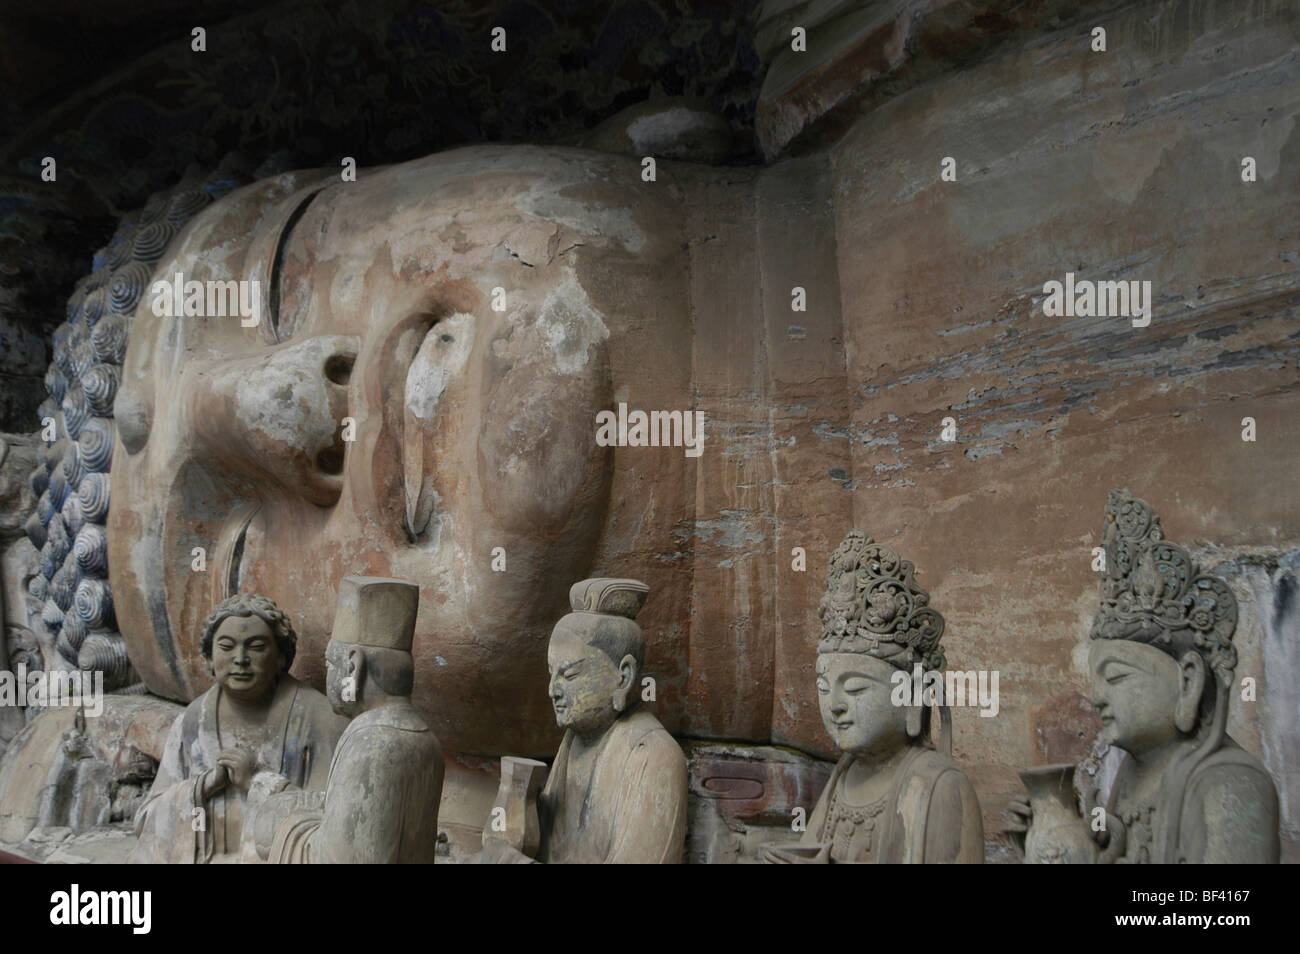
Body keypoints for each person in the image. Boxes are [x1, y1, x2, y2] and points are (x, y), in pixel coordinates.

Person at [1008, 490, 1280, 863]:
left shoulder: (1230, 785)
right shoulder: (1132, 776)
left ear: (1188, 680)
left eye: (1116, 678)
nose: (1098, 698)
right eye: (1096, 682)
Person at [763, 532, 983, 863]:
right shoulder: (845, 773)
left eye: (855, 688)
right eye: (824, 687)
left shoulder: (938, 786)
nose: (835, 704)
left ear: (912, 695)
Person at [483, 577, 687, 863]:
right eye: (551, 672)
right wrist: (517, 802)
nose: (552, 689)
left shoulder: (655, 758)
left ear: (623, 676)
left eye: (569, 675)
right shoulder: (575, 738)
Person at [130, 593, 346, 863]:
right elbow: (146, 818)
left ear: (281, 657)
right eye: (227, 646)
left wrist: (259, 781)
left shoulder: (319, 719)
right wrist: (199, 788)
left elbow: (336, 824)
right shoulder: (194, 720)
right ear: (209, 658)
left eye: (256, 647)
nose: (240, 659)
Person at [257, 576, 444, 863]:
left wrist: (281, 824)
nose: (328, 673)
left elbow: (341, 859)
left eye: (330, 663)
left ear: (353, 667)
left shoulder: (371, 743)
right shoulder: (427, 739)